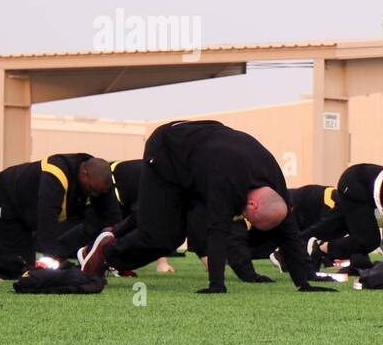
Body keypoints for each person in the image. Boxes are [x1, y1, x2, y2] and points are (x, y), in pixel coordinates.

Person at [80, 120, 331, 294]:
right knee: (163, 235)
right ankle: (106, 254)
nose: (245, 220)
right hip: (167, 150)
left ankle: (114, 234)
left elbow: (288, 232)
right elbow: (218, 231)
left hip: (200, 152)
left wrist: (304, 281)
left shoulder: (275, 183)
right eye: (251, 219)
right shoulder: (225, 181)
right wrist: (216, 284)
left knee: (170, 226)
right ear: (253, 203)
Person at [0, 153, 118, 274]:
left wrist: (114, 252)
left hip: (30, 212)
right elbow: (47, 219)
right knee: (16, 266)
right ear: (84, 174)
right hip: (7, 195)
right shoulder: (56, 173)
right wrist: (52, 259)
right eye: (92, 189)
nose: (94, 195)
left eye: (99, 193)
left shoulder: (100, 181)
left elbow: (112, 218)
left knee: (28, 264)